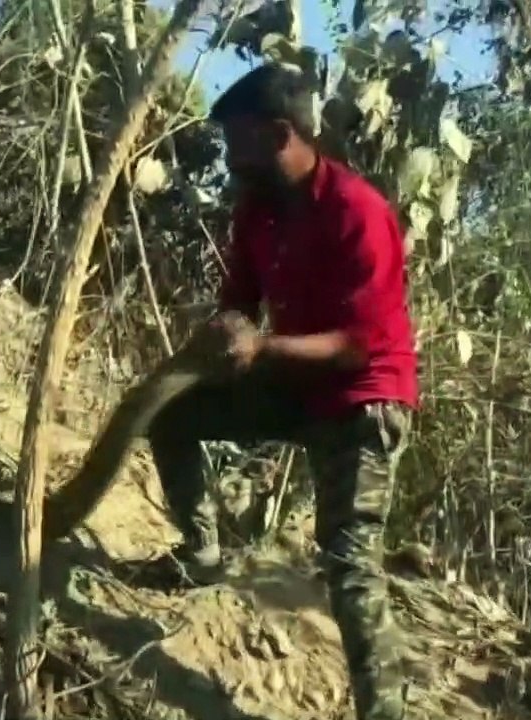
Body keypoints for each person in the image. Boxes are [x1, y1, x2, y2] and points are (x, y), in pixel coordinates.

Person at [145, 65, 418, 720]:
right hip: (296, 384)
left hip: (364, 400)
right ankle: (202, 556)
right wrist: (229, 328)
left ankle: (385, 711)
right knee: (171, 414)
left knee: (350, 566)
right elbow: (239, 298)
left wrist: (263, 348)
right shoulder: (258, 209)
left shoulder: (359, 211)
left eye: (237, 144)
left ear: (278, 134)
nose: (229, 160)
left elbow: (359, 345)